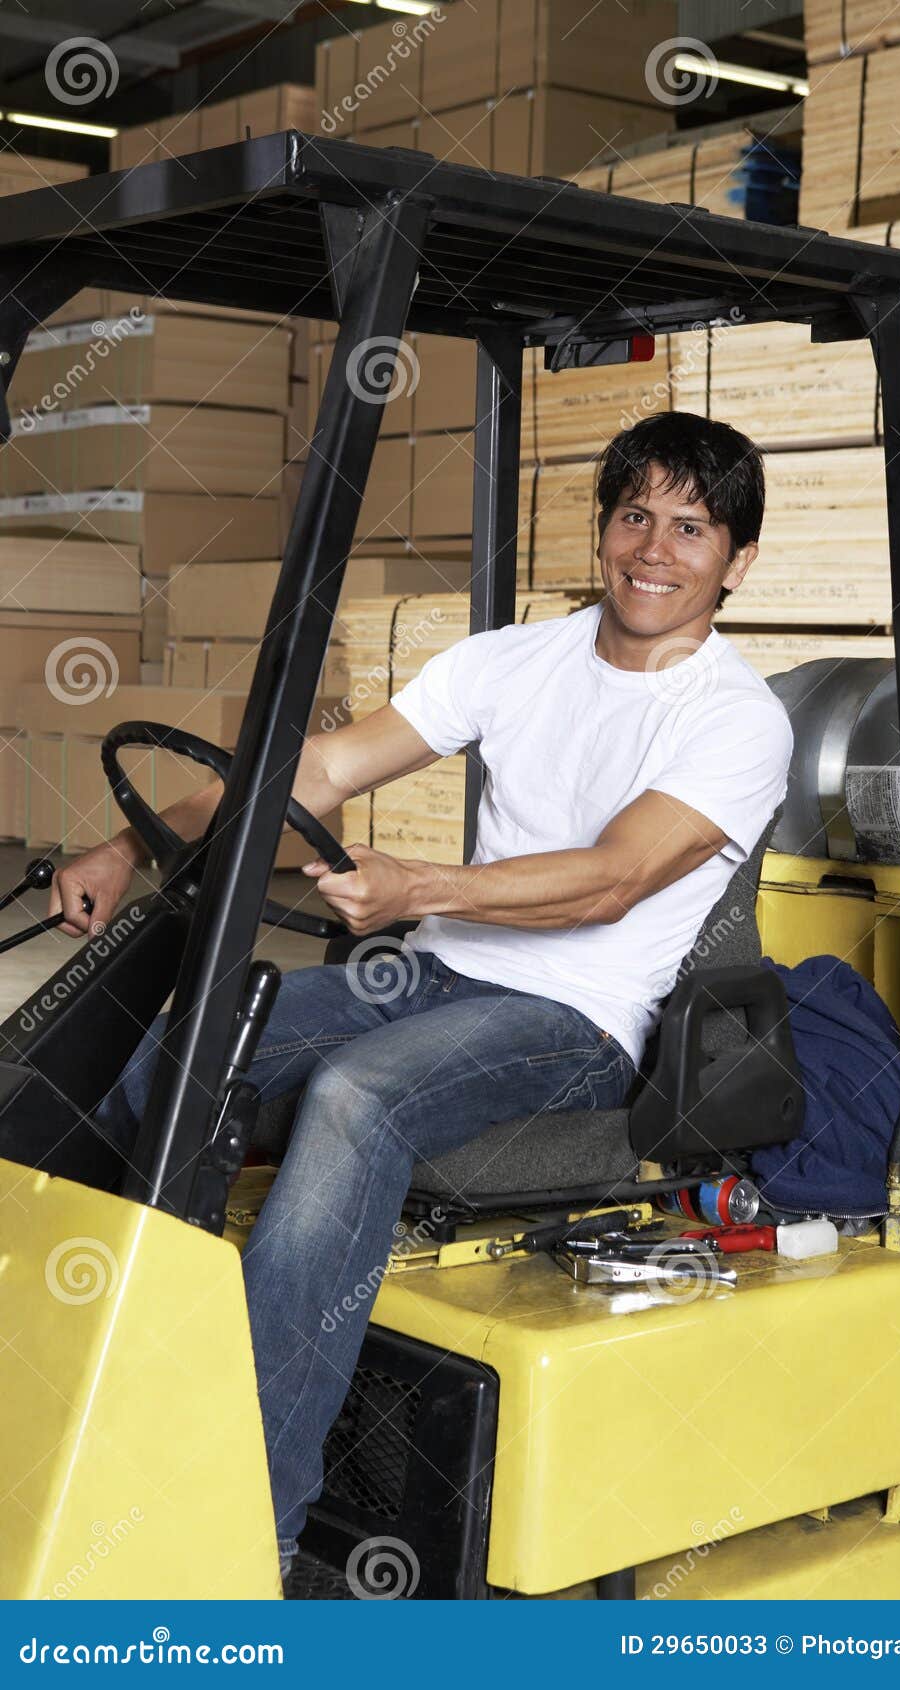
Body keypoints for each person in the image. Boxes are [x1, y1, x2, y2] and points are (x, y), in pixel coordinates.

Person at [54, 411, 793, 1582]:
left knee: (356, 1098)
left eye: (691, 527)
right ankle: (83, 1377)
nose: (655, 547)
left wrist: (417, 884)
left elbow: (608, 882)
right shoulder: (516, 657)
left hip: (575, 1020)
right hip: (439, 974)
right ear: (602, 529)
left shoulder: (736, 719)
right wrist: (123, 849)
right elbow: (322, 769)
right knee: (185, 1042)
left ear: (735, 561)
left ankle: (241, 1524)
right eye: (635, 514)